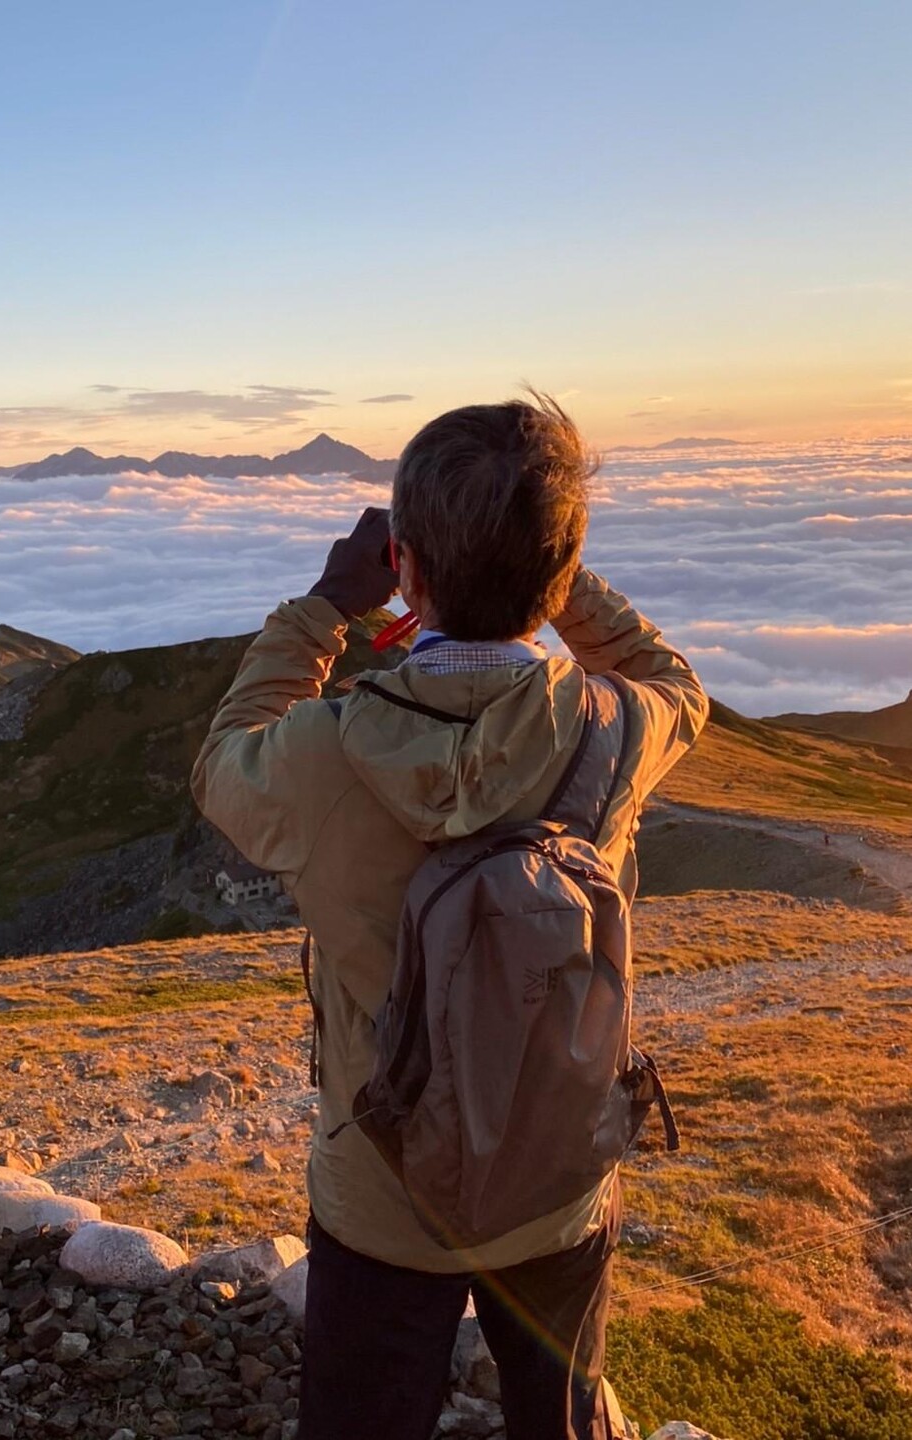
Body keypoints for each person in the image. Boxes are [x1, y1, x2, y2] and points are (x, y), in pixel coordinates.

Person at [192, 395, 708, 1440]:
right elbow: (672, 680)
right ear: (559, 576)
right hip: (557, 1175)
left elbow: (222, 755)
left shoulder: (316, 758)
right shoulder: (614, 731)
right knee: (554, 1421)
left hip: (380, 1190)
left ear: (403, 567)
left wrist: (322, 610)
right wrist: (557, 579)